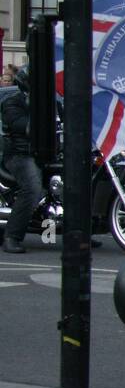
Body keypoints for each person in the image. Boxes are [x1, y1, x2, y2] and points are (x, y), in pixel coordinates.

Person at [1, 67, 40, 254]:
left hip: (45, 154)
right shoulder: (12, 102)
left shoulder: (52, 104)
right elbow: (21, 126)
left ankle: (82, 233)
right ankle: (11, 236)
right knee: (32, 188)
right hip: (19, 155)